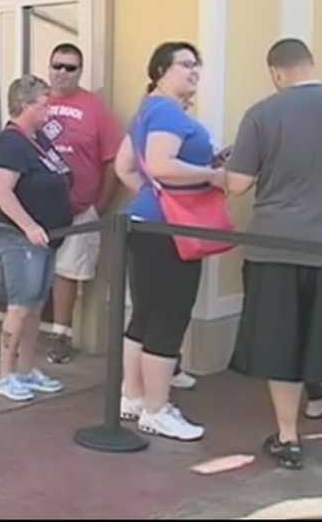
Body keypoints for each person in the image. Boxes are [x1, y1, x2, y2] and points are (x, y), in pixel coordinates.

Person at [224, 38, 322, 470]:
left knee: (279, 346)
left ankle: (288, 438)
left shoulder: (263, 113)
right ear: (311, 64)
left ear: (276, 72)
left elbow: (237, 185)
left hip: (275, 249)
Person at [112, 41, 224, 442]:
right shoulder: (166, 111)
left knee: (144, 314)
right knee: (168, 316)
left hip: (147, 225)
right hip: (165, 232)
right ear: (161, 70)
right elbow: (160, 165)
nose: (194, 71)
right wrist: (210, 175)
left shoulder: (149, 109)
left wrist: (154, 194)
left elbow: (127, 166)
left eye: (198, 64)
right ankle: (157, 409)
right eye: (185, 64)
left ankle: (134, 397)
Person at [35, 44, 125, 364]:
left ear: (80, 71)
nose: (62, 73)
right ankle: (20, 334)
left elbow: (114, 160)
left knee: (67, 274)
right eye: (57, 65)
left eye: (70, 68)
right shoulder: (36, 101)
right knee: (30, 269)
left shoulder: (95, 108)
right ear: (49, 67)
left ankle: (60, 334)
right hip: (36, 208)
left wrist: (99, 206)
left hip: (79, 207)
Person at [0, 76, 72, 402]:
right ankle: (5, 374)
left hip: (46, 238)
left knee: (35, 306)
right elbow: (2, 190)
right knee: (20, 306)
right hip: (20, 238)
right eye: (43, 104)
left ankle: (25, 370)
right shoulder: (10, 142)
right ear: (25, 106)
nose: (49, 110)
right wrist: (28, 225)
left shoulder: (37, 139)